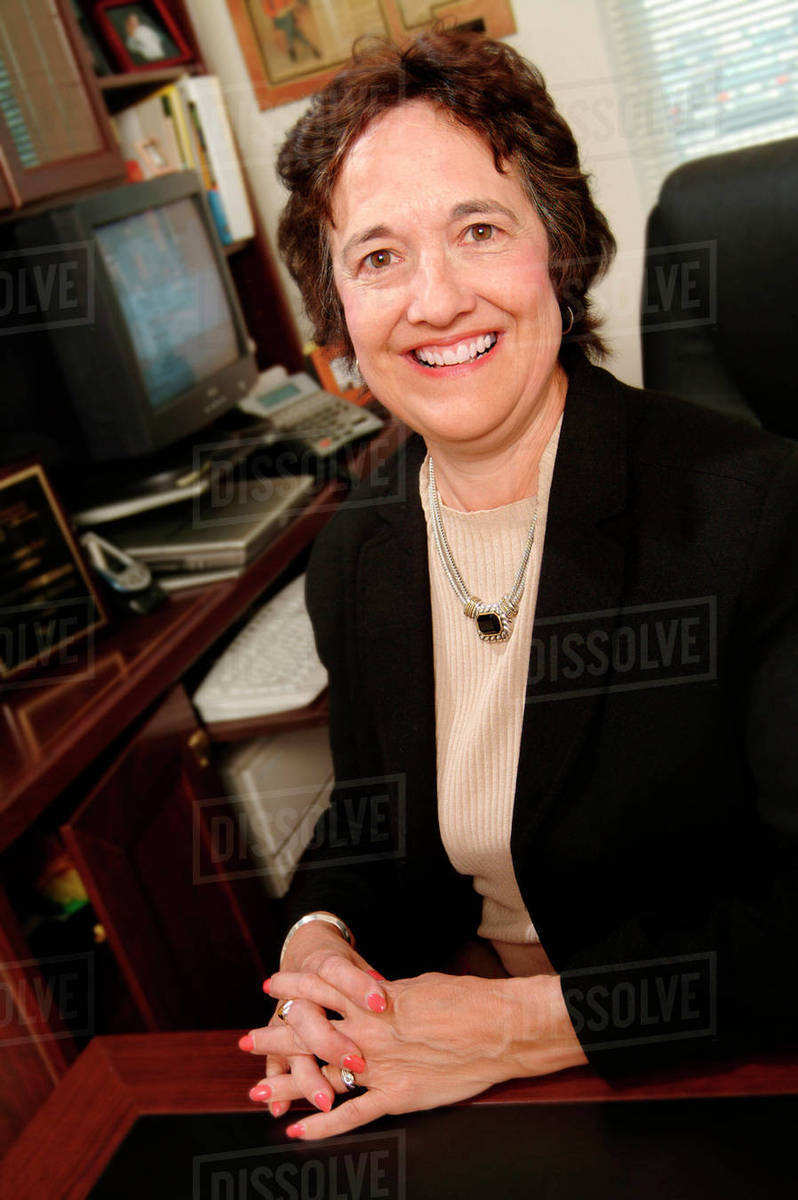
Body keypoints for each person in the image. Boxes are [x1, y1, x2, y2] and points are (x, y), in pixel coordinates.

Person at [237, 30, 798, 1139]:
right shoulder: (361, 549)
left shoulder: (757, 512)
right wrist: (320, 952)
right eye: (379, 257)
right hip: (461, 1052)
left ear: (561, 250)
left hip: (711, 1069)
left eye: (479, 231)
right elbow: (374, 818)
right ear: (339, 313)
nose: (434, 300)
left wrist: (517, 1028)